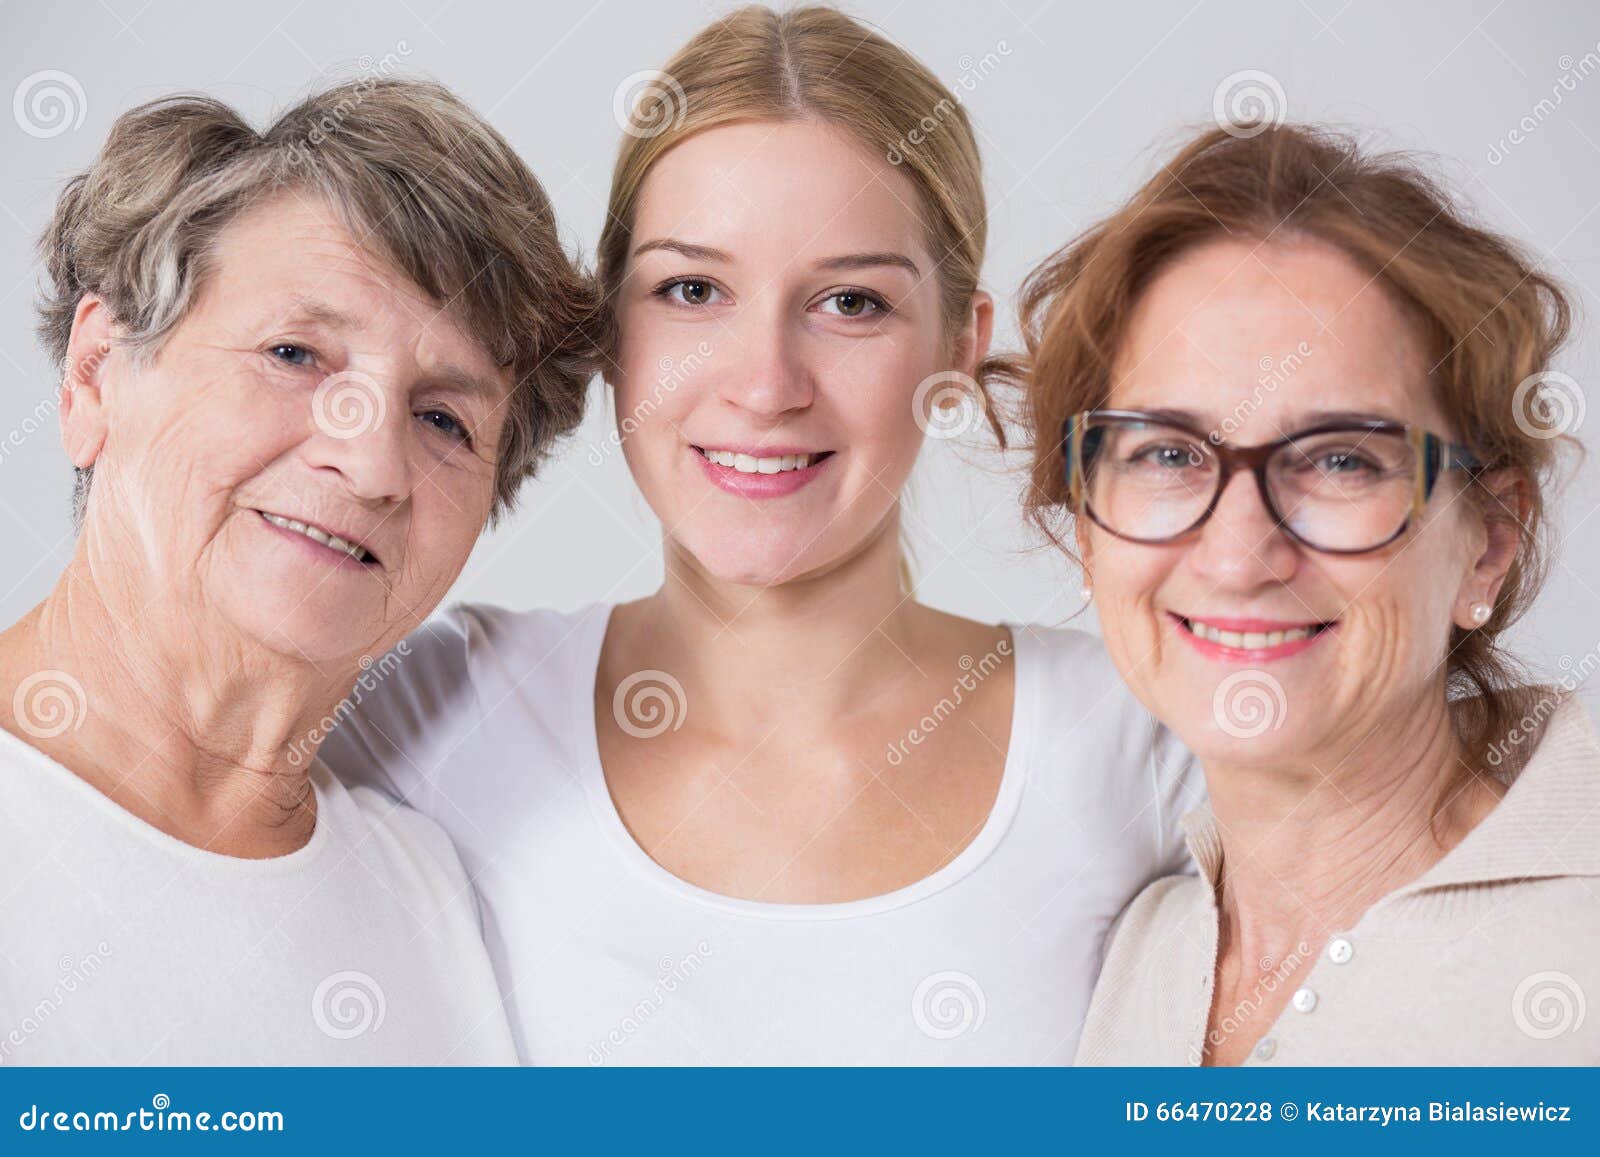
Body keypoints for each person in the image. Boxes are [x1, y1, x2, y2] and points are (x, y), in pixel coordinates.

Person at [318, 5, 1200, 1064]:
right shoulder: (420, 716)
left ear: (958, 346)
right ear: (612, 329)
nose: (766, 384)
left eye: (851, 302)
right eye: (693, 290)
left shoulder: (1138, 743)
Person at [0, 78, 603, 1063]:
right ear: (96, 372)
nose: (370, 465)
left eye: (443, 419)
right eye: (294, 353)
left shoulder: (438, 903)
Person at [1013, 120, 1599, 1064]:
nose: (1239, 555)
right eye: (1168, 454)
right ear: (1087, 531)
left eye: (1340, 460)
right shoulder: (1137, 954)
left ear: (1488, 545)